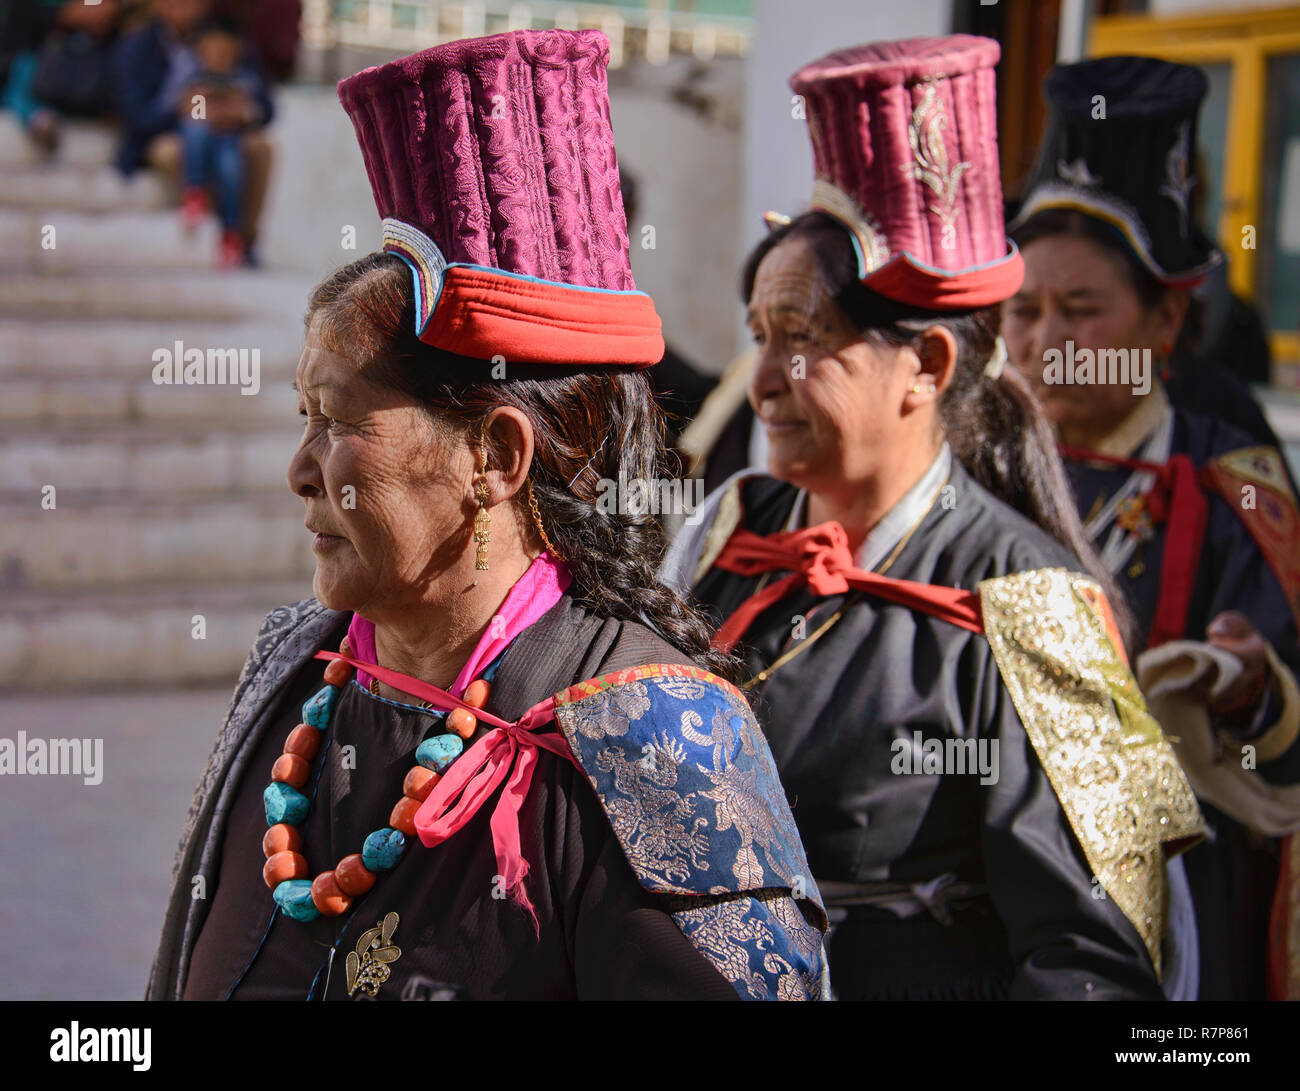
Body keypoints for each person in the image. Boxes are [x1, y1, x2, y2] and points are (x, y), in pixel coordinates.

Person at [146, 29, 828, 1002]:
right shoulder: (295, 667)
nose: (301, 470)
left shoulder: (651, 736)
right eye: (304, 416)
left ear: (495, 457)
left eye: (340, 423)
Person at [662, 35, 1204, 1001]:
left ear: (928, 367)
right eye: (758, 338)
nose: (767, 382)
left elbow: (1102, 954)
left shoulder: (1037, 606)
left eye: (806, 340)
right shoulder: (723, 533)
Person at [1005, 54, 1300, 1000]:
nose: (1045, 339)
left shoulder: (1230, 478)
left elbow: (1288, 715)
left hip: (1179, 889)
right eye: (1023, 310)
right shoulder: (971, 467)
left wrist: (1249, 688)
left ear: (1166, 320)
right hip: (994, 877)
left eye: (1080, 310)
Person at [114, 0, 273, 264]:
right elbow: (136, 116)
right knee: (173, 151)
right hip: (168, 132)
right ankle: (222, 227)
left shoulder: (225, 37)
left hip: (229, 133)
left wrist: (241, 112)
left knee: (260, 147)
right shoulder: (138, 46)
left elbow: (265, 106)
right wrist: (185, 109)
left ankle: (244, 239)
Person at [165, 15, 272, 265]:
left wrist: (236, 114)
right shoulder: (190, 78)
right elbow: (183, 108)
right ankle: (195, 192)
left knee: (231, 169)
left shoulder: (243, 79)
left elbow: (256, 109)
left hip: (230, 138)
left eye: (224, 52)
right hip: (203, 135)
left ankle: (233, 233)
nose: (217, 57)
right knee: (195, 132)